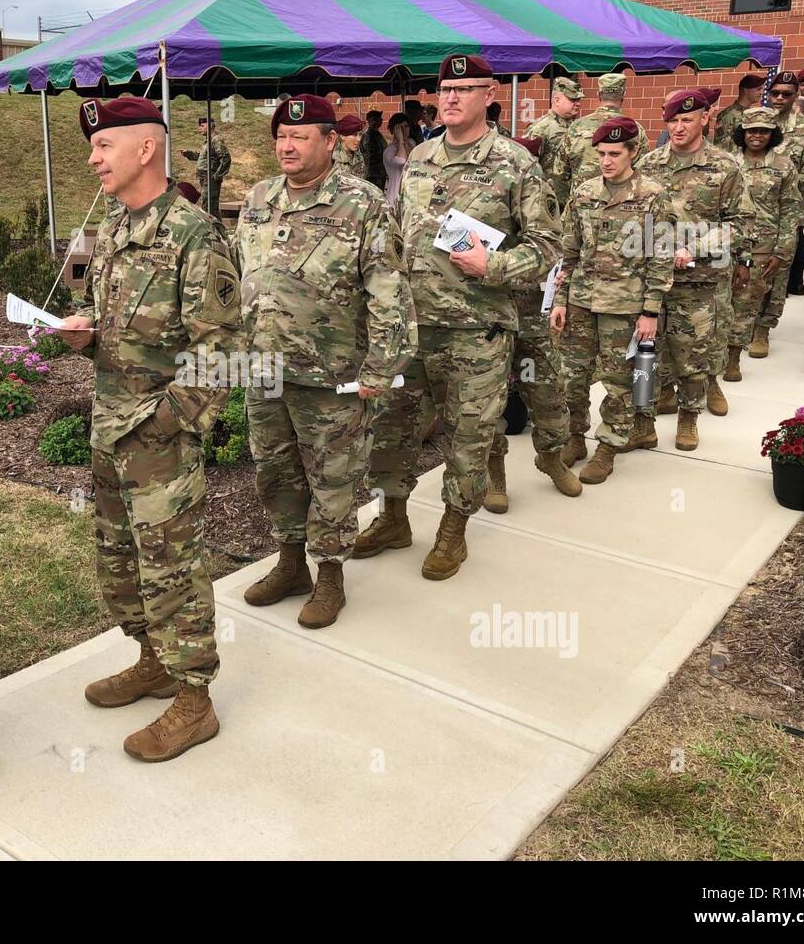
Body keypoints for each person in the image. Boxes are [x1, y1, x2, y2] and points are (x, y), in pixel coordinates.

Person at [59, 95, 241, 762]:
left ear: (146, 149)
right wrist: (81, 334)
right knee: (120, 563)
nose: (92, 157)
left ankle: (194, 699)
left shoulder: (196, 236)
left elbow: (219, 350)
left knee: (173, 569)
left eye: (104, 145)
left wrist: (167, 425)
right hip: (110, 425)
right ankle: (152, 660)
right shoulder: (111, 225)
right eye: (93, 146)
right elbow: (102, 314)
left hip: (158, 435)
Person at [355, 53, 561, 582]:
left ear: (489, 95)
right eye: (445, 88)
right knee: (392, 430)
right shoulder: (420, 156)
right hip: (413, 326)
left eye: (464, 89)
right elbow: (401, 230)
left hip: (477, 331)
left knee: (469, 436)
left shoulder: (516, 164)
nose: (450, 97)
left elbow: (546, 246)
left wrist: (497, 264)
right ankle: (393, 518)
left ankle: (453, 529)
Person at [235, 94, 416, 627]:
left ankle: (331, 573)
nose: (286, 146)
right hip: (266, 370)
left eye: (300, 137)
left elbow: (389, 290)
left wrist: (382, 367)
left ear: (331, 142)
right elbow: (239, 273)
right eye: (280, 138)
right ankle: (291, 563)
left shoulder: (361, 203)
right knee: (275, 472)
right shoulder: (259, 198)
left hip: (332, 375)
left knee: (332, 478)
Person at [551, 117, 675, 482]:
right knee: (571, 377)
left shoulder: (652, 195)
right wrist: (560, 299)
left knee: (620, 382)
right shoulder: (585, 192)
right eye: (602, 153)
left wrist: (651, 310)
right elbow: (568, 252)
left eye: (614, 153)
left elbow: (661, 256)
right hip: (581, 301)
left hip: (625, 306)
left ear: (634, 152)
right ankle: (575, 437)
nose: (606, 160)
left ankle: (608, 445)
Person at [636, 88, 754, 449]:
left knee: (692, 357)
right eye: (673, 120)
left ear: (706, 118)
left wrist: (696, 248)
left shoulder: (724, 167)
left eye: (687, 119)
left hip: (699, 283)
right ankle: (643, 421)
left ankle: (689, 418)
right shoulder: (647, 165)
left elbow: (744, 223)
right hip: (653, 282)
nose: (679, 127)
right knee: (645, 354)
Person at [484, 133, 581, 513]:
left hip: (529, 312)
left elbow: (554, 245)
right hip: (487, 312)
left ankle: (552, 458)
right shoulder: (476, 195)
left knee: (546, 390)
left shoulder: (539, 196)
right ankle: (495, 471)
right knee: (489, 400)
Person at [751, 70, 804, 352]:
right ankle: (743, 324)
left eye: (787, 93)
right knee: (744, 269)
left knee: (777, 269)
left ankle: (763, 330)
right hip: (749, 210)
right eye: (775, 93)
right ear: (768, 94)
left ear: (796, 96)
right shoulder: (755, 123)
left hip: (784, 209)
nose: (780, 98)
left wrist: (786, 190)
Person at [725, 107, 804, 382]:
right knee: (722, 302)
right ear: (742, 133)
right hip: (728, 244)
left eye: (764, 131)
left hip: (762, 246)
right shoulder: (727, 162)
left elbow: (791, 210)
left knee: (747, 303)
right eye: (752, 130)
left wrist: (782, 251)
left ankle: (733, 358)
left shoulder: (784, 166)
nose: (757, 136)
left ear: (773, 134)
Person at [552, 73, 650, 200]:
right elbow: (644, 170)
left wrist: (567, 204)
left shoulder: (575, 128)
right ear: (623, 95)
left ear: (598, 95)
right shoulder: (634, 129)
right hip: (622, 206)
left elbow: (560, 173)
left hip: (582, 205)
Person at [524, 76, 582, 204]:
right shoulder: (541, 127)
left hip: (572, 200)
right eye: (573, 99)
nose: (577, 103)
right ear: (556, 100)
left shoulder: (577, 126)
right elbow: (526, 166)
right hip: (549, 201)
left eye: (578, 99)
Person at [182, 117, 231, 218]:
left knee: (208, 209)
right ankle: (219, 232)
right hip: (205, 179)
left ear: (210, 126)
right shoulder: (208, 141)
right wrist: (189, 154)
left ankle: (212, 231)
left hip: (210, 179)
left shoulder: (216, 140)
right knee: (211, 209)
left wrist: (217, 176)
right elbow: (203, 157)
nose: (199, 128)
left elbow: (226, 158)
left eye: (202, 126)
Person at [713, 74, 764, 152]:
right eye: (758, 89)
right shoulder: (728, 115)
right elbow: (721, 147)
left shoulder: (754, 113)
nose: (761, 93)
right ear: (746, 91)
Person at [383, 111, 414, 205]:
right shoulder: (389, 151)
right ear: (393, 130)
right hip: (395, 196)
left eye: (406, 126)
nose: (403, 130)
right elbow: (401, 161)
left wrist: (405, 141)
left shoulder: (412, 143)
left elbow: (416, 159)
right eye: (399, 127)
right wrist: (400, 139)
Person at [333, 113, 367, 179]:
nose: (359, 139)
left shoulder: (358, 154)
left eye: (360, 134)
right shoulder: (331, 157)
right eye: (354, 135)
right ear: (343, 136)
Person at [360, 109, 387, 190]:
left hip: (380, 173)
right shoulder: (368, 136)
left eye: (380, 119)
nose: (381, 121)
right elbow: (370, 156)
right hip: (373, 174)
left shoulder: (377, 134)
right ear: (370, 121)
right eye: (377, 119)